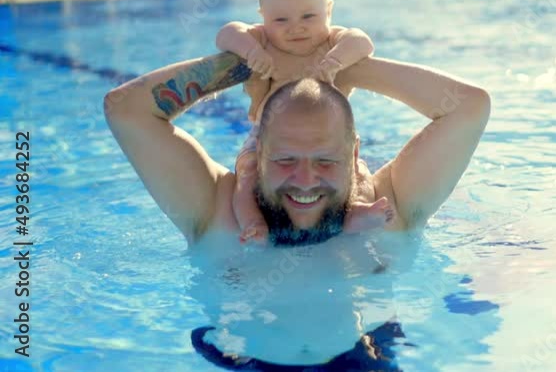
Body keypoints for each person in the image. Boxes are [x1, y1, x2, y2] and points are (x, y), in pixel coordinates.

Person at [104, 51, 490, 366]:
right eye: (286, 160)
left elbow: (470, 107)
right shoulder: (216, 207)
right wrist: (248, 62)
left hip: (366, 356)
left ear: (353, 153)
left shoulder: (388, 202)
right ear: (258, 153)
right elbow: (126, 110)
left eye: (325, 161)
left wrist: (343, 63)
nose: (305, 181)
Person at [215, 0, 377, 244]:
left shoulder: (330, 43)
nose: (296, 27)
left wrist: (335, 62)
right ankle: (253, 222)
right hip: (266, 137)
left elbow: (363, 42)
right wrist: (251, 51)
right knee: (247, 177)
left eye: (308, 16)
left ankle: (356, 211)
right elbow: (226, 34)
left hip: (328, 137)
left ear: (328, 11)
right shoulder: (263, 42)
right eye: (280, 19)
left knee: (359, 171)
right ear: (263, 16)